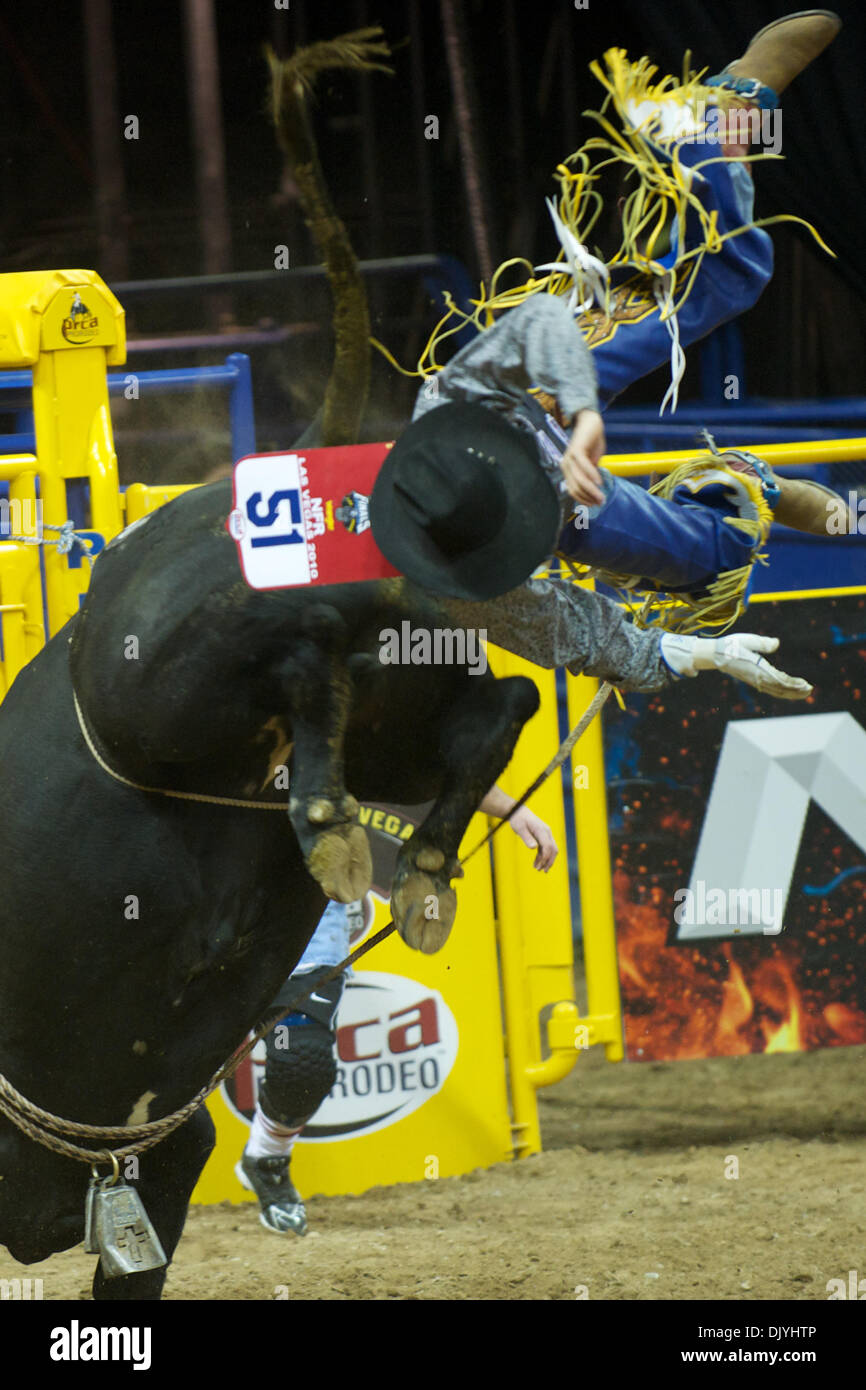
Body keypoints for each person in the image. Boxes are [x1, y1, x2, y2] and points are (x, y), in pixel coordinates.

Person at [369, 13, 843, 687]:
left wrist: (583, 415)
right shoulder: (483, 591)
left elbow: (536, 324)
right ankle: (753, 488)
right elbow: (599, 641)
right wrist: (713, 654)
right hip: (558, 512)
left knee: (723, 278)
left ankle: (721, 119)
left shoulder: (453, 399)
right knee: (712, 559)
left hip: (539, 402)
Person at [237, 786, 557, 1234]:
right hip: (188, 882)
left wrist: (513, 808)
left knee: (302, 1062)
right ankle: (113, 1172)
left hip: (306, 893)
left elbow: (429, 752)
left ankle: (267, 1156)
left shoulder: (340, 725)